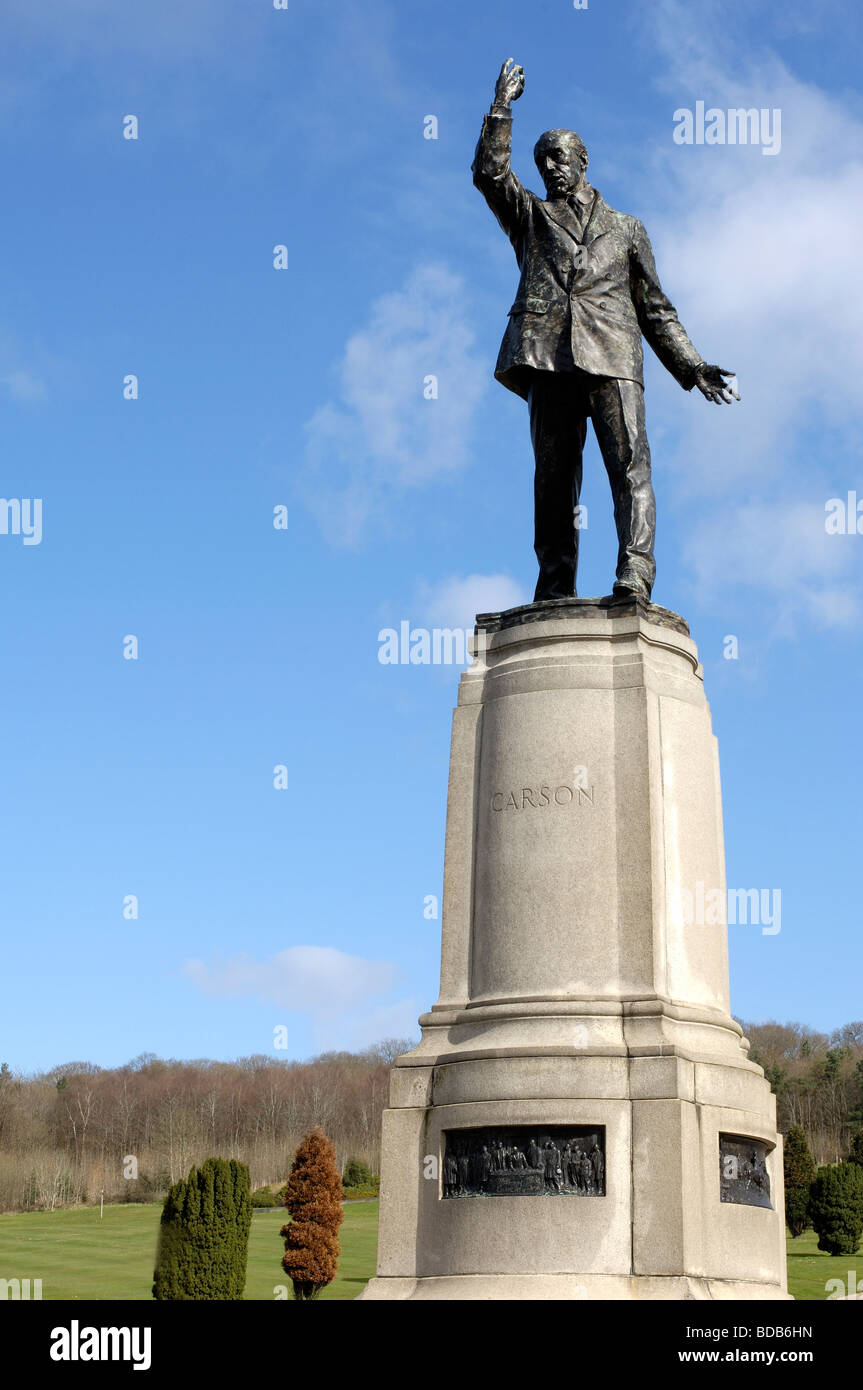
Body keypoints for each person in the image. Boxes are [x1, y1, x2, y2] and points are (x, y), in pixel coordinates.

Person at [472, 59, 737, 603]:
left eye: (558, 155)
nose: (548, 165)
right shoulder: (530, 217)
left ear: (584, 161)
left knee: (630, 468)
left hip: (614, 357)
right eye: (541, 158)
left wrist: (692, 364)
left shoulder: (627, 230)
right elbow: (489, 175)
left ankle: (634, 575)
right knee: (553, 480)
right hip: (548, 358)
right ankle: (554, 587)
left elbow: (656, 309)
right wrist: (502, 107)